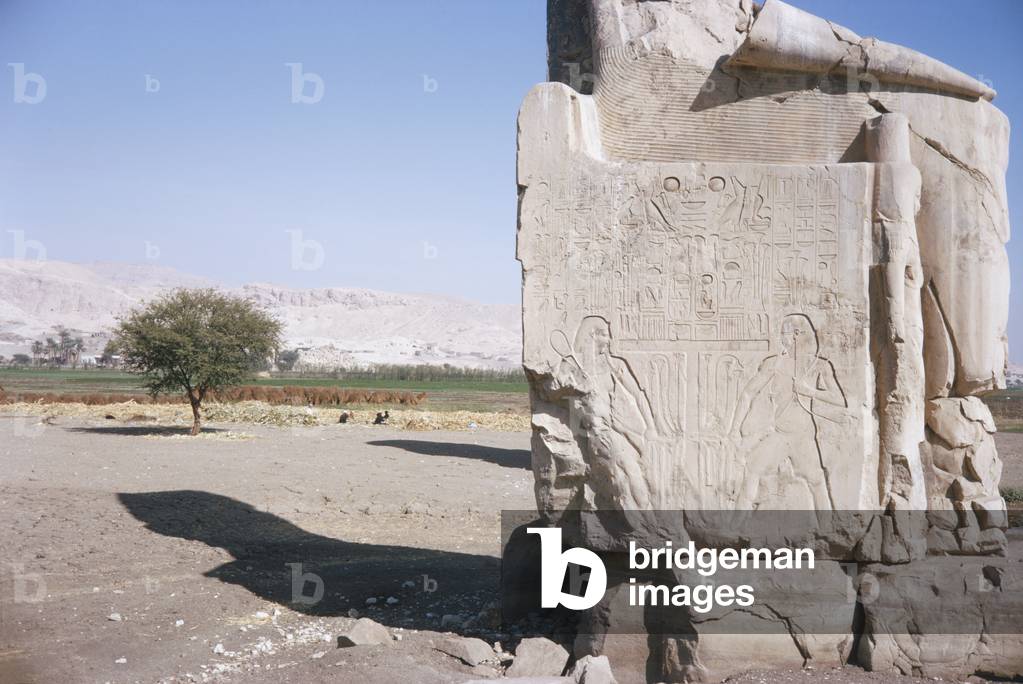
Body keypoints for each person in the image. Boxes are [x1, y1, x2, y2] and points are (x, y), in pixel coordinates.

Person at [728, 314, 847, 510]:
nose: (781, 339)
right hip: (780, 434)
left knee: (816, 481)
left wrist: (809, 391)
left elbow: (839, 399)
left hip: (804, 436)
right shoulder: (774, 364)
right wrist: (735, 427)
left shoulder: (819, 365)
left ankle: (828, 527)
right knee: (753, 468)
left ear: (796, 335)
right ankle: (738, 522)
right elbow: (749, 393)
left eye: (784, 334)